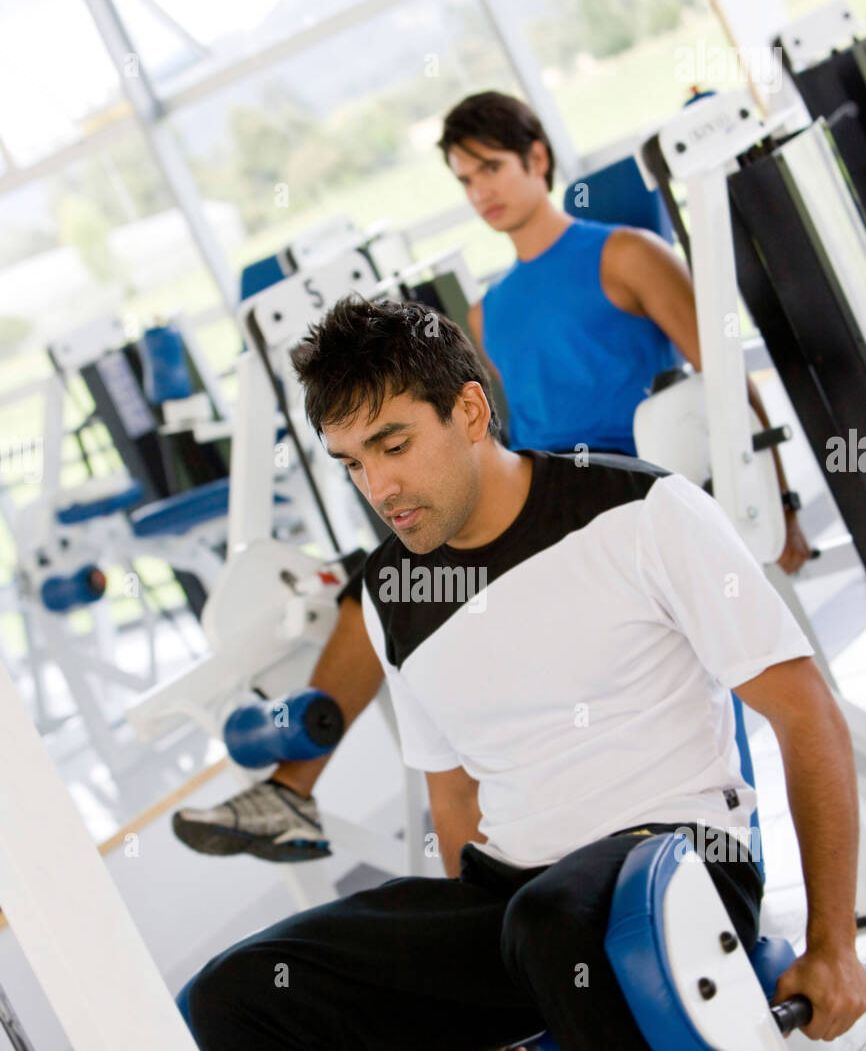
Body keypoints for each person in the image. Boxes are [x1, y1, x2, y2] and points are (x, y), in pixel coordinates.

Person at [184, 297, 865, 1051]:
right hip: (516, 907)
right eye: (353, 464)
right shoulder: (394, 593)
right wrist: (487, 996)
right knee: (236, 999)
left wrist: (834, 942)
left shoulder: (639, 508)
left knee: (555, 921)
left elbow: (810, 717)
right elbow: (455, 798)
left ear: (469, 411)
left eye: (393, 444)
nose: (378, 487)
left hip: (677, 870)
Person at [173, 91, 812, 865]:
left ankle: (722, 884)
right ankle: (293, 791)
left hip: (627, 495)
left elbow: (725, 381)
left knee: (696, 720)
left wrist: (778, 505)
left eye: (491, 169)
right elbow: (496, 441)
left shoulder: (628, 254)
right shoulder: (486, 313)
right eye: (464, 180)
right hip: (533, 507)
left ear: (537, 159)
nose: (482, 193)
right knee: (381, 584)